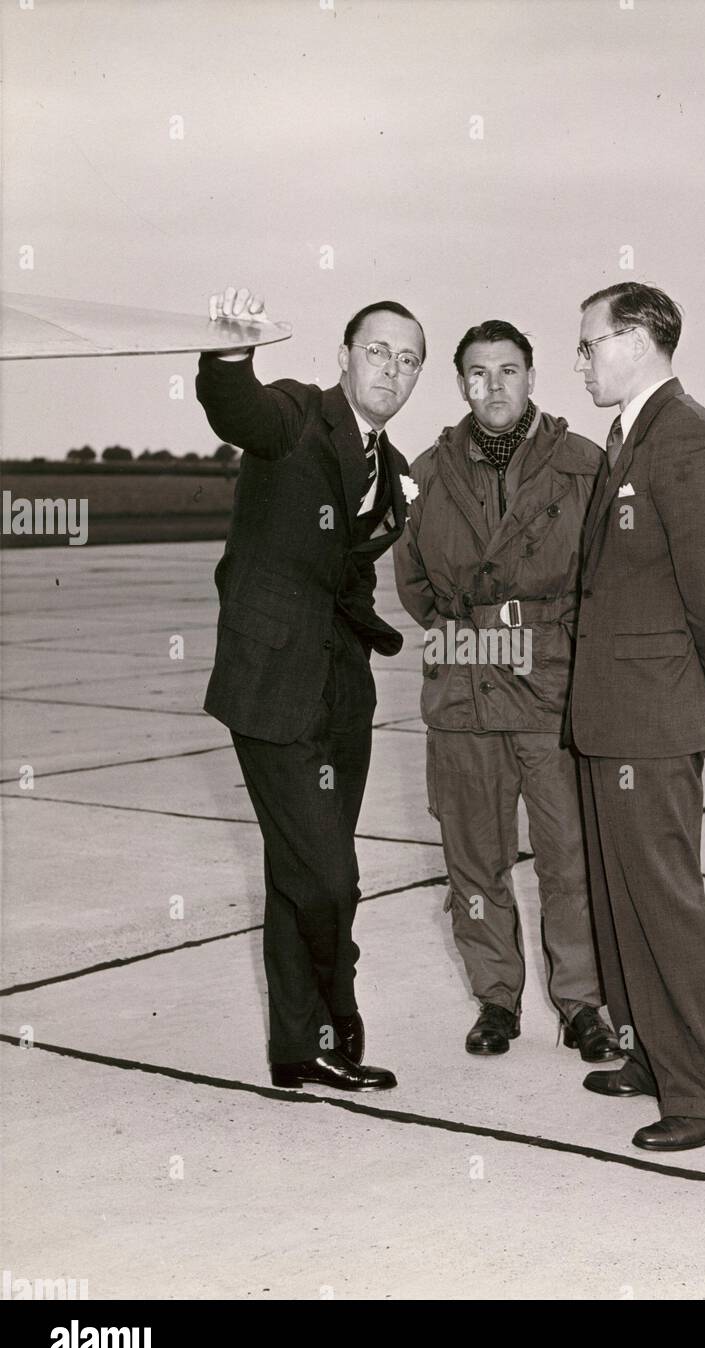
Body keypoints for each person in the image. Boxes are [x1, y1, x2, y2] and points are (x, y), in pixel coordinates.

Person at [196, 287, 426, 1092]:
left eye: (407, 360)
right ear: (343, 356)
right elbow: (238, 411)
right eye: (376, 351)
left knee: (297, 872)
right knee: (329, 877)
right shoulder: (298, 415)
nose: (389, 370)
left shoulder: (392, 473)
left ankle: (298, 1050)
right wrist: (230, 352)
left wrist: (377, 632)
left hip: (341, 694)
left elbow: (344, 575)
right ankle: (340, 1011)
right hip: (269, 687)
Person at [393, 319, 620, 1063]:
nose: (494, 386)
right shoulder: (424, 472)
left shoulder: (583, 466)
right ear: (460, 382)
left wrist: (536, 638)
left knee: (567, 857)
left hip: (548, 690)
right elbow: (416, 586)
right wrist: (477, 633)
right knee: (474, 862)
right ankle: (496, 998)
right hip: (461, 692)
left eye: (508, 371)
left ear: (531, 377)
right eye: (478, 373)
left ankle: (581, 1003)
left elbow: (603, 581)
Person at [568, 282, 705, 1151]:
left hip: (651, 711)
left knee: (663, 902)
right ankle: (653, 1052)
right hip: (614, 710)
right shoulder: (630, 435)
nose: (582, 361)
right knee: (619, 899)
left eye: (590, 343)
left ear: (637, 340)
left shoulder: (686, 438)